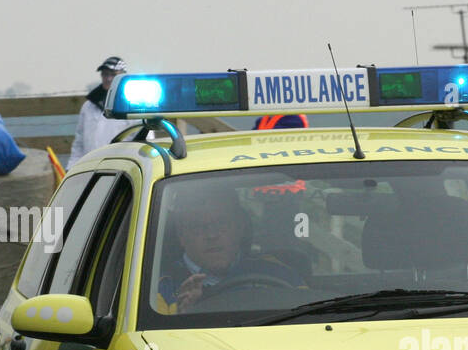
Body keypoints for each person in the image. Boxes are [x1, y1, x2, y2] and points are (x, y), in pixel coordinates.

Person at [154, 191, 306, 313]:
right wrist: (183, 315)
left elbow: (313, 317)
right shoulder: (158, 290)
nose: (212, 235)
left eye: (221, 223)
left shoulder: (276, 272)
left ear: (240, 227)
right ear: (181, 235)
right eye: (198, 227)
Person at [68, 56, 127, 166]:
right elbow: (79, 140)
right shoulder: (88, 105)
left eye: (113, 74)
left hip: (122, 168)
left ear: (123, 76)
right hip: (90, 167)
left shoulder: (133, 106)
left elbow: (145, 138)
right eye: (105, 74)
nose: (108, 78)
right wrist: (72, 166)